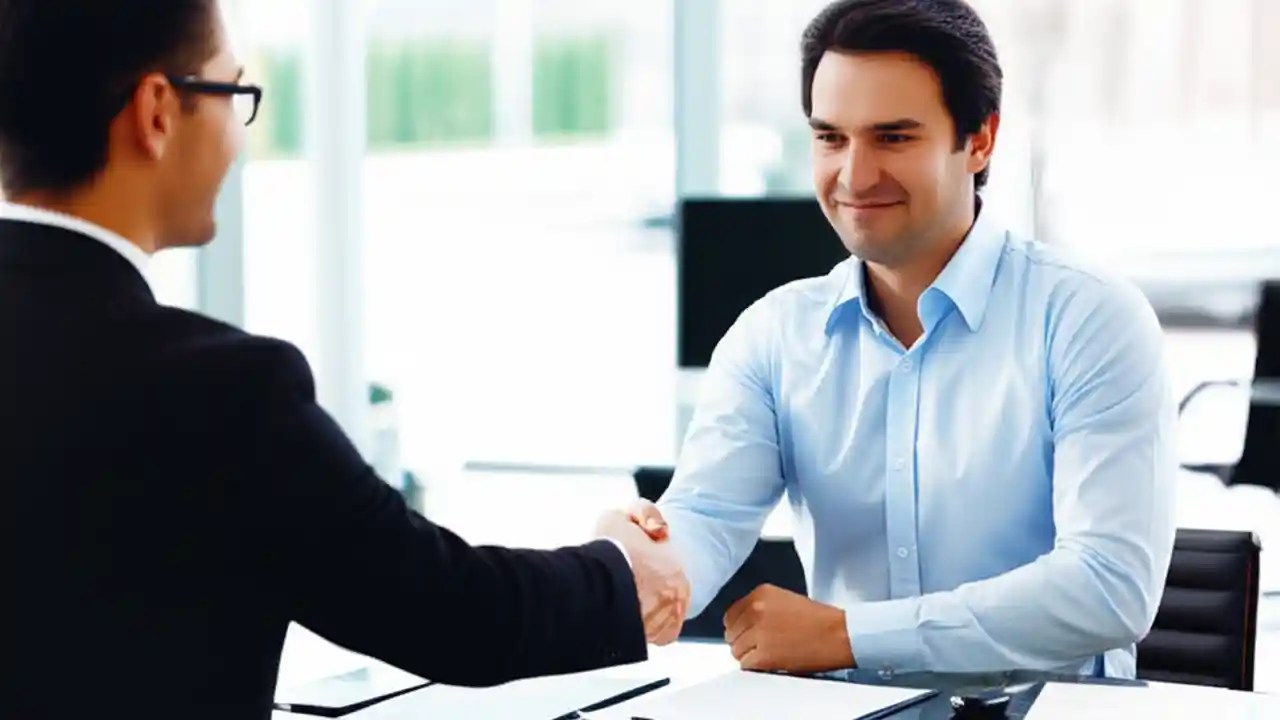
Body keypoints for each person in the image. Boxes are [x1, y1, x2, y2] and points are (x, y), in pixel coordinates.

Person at [0, 1, 687, 716]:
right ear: (158, 111)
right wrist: (620, 574)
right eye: (234, 95)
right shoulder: (223, 392)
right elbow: (448, 609)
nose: (238, 137)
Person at [622, 0, 1175, 679]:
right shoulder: (774, 336)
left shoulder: (1088, 319)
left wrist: (850, 635)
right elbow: (706, 515)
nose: (854, 175)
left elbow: (1108, 588)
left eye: (892, 138)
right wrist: (644, 565)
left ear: (979, 139)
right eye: (830, 138)